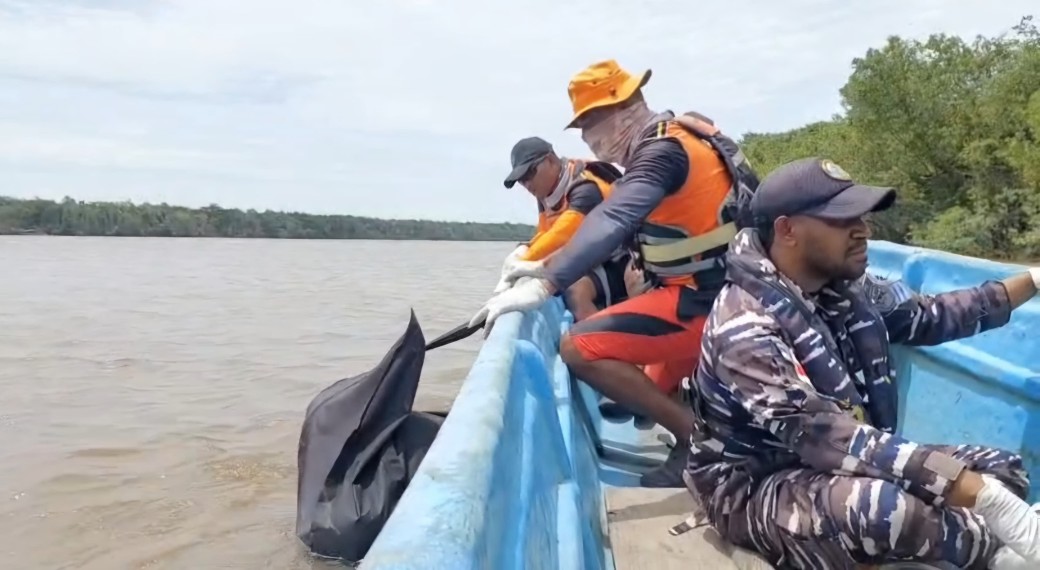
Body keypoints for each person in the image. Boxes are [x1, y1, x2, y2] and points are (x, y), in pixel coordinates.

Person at [685, 156, 1040, 569]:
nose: (863, 230)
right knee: (886, 509)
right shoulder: (744, 327)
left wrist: (1031, 280)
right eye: (842, 220)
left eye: (862, 217)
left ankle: (970, 540)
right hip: (753, 487)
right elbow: (826, 436)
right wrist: (981, 497)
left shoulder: (845, 291)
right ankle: (993, 552)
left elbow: (930, 316)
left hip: (841, 458)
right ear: (787, 230)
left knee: (999, 466)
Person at [470, 59, 761, 487]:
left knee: (578, 348)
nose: (589, 138)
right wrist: (535, 264)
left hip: (707, 301)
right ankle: (695, 438)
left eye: (591, 123)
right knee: (650, 389)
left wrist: (547, 282)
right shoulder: (676, 138)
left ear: (623, 110)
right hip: (724, 289)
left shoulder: (662, 151)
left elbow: (614, 218)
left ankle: (704, 445)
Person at [495, 136, 631, 321]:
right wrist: (523, 248)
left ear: (550, 160)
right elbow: (545, 233)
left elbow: (562, 235)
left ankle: (603, 345)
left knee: (576, 291)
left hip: (622, 256)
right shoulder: (546, 193)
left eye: (529, 174)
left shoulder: (585, 187)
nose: (527, 184)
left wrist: (519, 265)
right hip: (588, 256)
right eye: (521, 180)